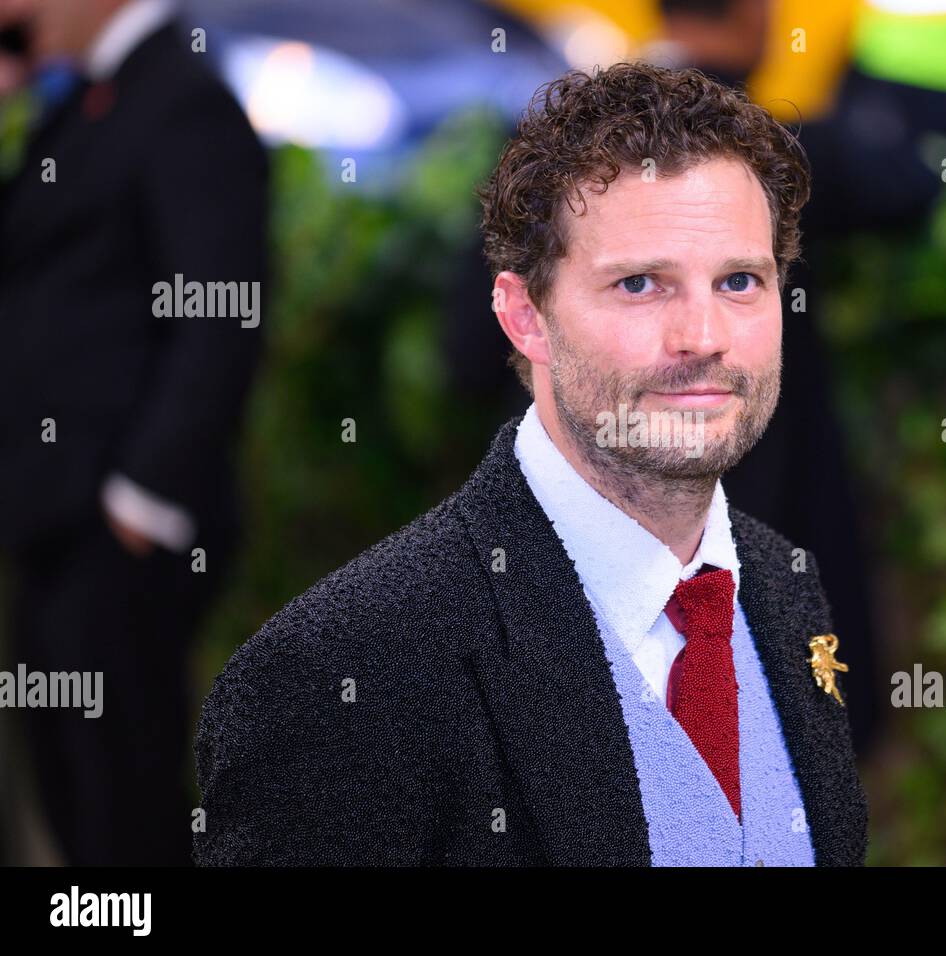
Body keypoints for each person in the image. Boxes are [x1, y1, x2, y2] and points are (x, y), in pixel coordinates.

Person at [194, 62, 868, 866]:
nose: (703, 336)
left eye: (739, 281)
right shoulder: (340, 676)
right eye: (640, 284)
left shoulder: (785, 586)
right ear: (524, 316)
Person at [0, 0, 267, 865]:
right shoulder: (77, 103)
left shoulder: (183, 97)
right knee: (73, 794)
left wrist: (141, 497)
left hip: (115, 527)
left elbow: (222, 313)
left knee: (123, 803)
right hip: (51, 516)